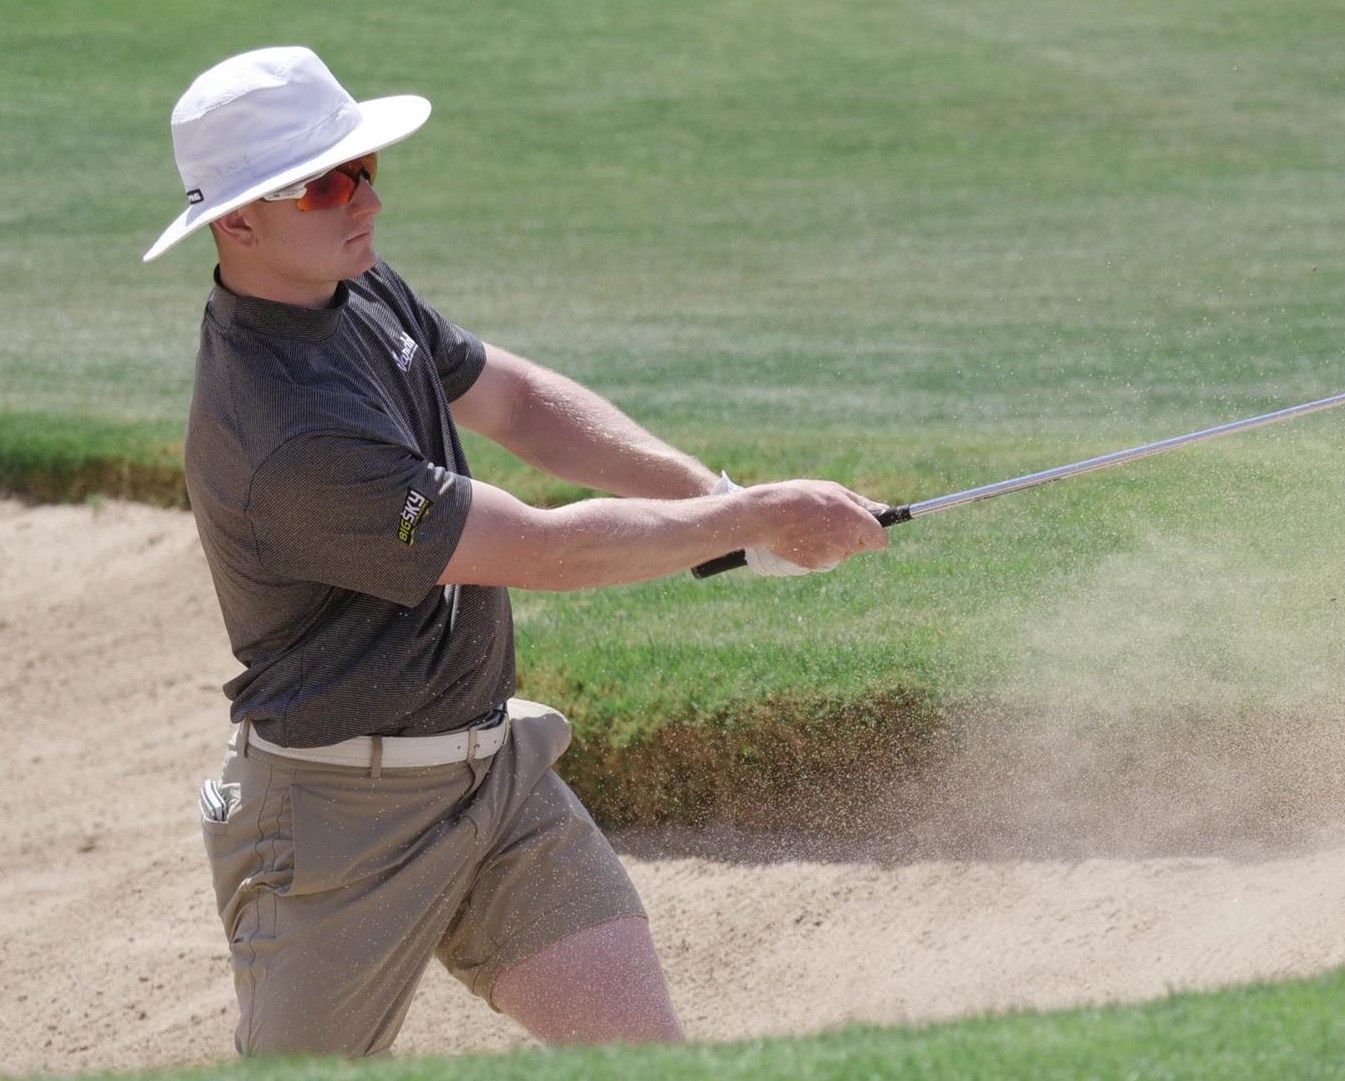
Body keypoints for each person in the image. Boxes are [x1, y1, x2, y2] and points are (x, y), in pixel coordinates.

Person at [145, 45, 887, 1057]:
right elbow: (537, 550)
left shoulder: (352, 290)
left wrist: (714, 496)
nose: (362, 198)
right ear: (238, 220)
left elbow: (517, 401)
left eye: (364, 168)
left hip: (495, 779)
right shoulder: (283, 433)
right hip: (339, 827)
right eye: (324, 184)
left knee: (643, 1059)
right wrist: (751, 519)